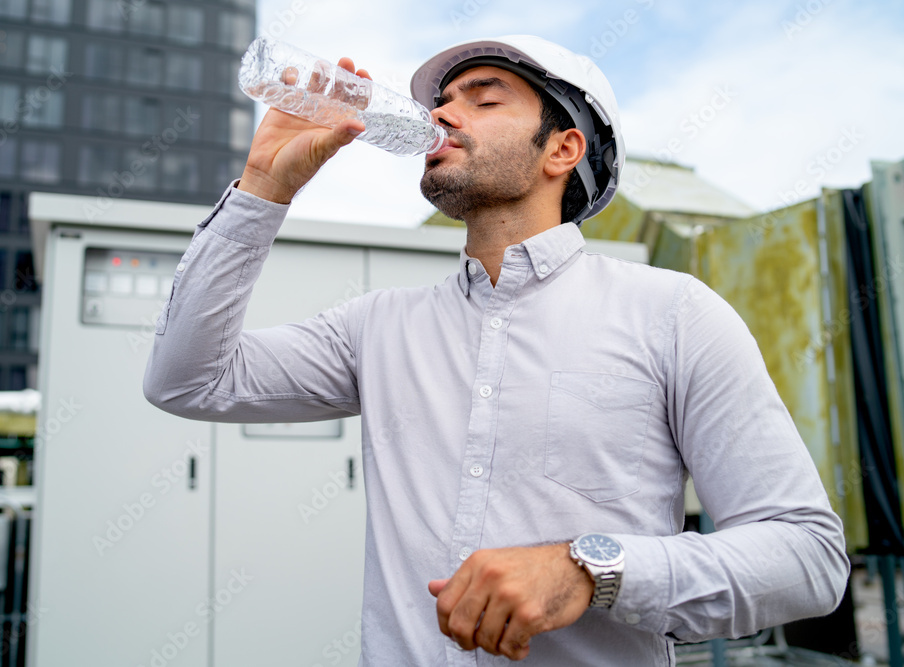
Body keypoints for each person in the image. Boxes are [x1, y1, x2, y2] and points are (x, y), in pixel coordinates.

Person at [144, 35, 849, 665]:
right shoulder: (377, 326)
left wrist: (591, 569)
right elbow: (187, 380)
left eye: (483, 100)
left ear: (562, 150)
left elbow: (808, 558)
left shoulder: (673, 314)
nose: (443, 116)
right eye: (442, 103)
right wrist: (264, 187)